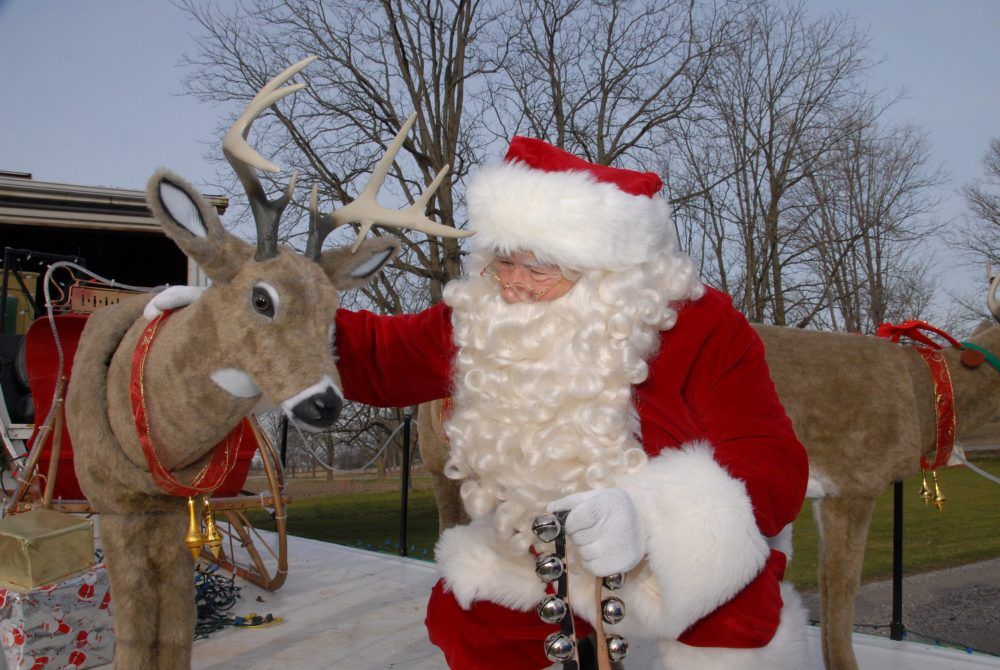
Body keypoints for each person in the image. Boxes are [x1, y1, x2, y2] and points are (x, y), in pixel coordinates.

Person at [332, 137, 810, 669]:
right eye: (502, 260)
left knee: (736, 623)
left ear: (604, 269)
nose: (513, 285)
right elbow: (382, 356)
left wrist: (648, 518)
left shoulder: (701, 325)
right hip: (546, 544)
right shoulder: (486, 314)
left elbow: (773, 460)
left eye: (538, 268)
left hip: (666, 553)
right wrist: (293, 312)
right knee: (469, 617)